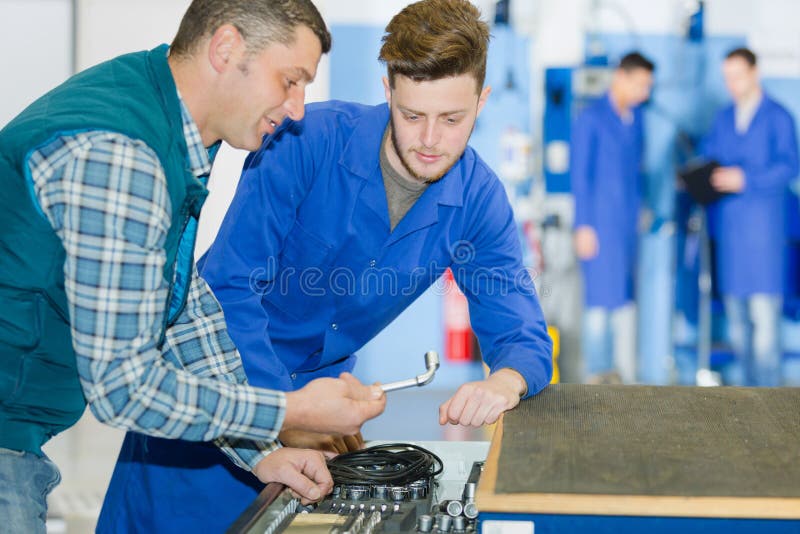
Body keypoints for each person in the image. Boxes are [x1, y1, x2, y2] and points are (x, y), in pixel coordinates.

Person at [98, 0, 554, 531]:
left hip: (319, 435)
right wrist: (286, 412)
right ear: (388, 92)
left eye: (452, 119)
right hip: (212, 406)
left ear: (482, 101)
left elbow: (522, 330)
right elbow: (228, 287)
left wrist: (505, 381)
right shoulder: (304, 141)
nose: (431, 140)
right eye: (412, 115)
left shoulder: (480, 201)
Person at [0, 1, 388, 531]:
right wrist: (289, 411)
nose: (298, 108)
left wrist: (260, 454)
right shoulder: (121, 153)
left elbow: (183, 313)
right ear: (226, 48)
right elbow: (124, 386)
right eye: (290, 80)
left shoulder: (159, 124)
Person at [702, 47, 799, 386]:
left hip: (764, 237)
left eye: (737, 76)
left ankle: (769, 412)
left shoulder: (778, 117)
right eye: (726, 77)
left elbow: (790, 165)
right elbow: (710, 156)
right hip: (731, 236)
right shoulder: (722, 118)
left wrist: (746, 179)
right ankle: (746, 405)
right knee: (739, 327)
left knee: (765, 330)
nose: (731, 84)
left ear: (755, 73)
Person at [571, 52, 655, 384]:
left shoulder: (636, 120)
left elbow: (638, 173)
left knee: (624, 301)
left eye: (648, 86)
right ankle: (595, 376)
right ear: (621, 76)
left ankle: (625, 378)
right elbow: (580, 175)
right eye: (641, 84)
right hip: (598, 225)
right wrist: (583, 226)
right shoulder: (591, 118)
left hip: (626, 226)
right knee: (598, 306)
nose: (645, 92)